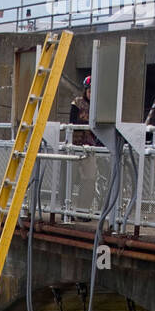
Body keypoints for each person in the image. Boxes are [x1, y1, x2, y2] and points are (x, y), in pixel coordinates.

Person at [68, 74, 101, 214]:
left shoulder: (100, 107)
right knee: (70, 177)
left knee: (89, 178)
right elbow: (71, 123)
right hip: (75, 145)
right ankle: (66, 209)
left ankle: (83, 209)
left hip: (90, 146)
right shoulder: (77, 103)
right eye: (89, 90)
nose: (91, 94)